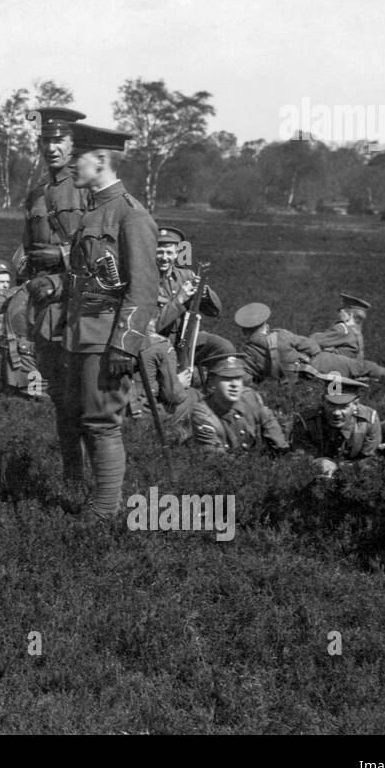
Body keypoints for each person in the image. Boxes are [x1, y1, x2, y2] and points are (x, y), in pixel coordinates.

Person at [60, 120, 159, 522]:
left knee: (102, 422)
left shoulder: (130, 216)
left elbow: (143, 289)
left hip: (106, 339)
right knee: (85, 419)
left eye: (77, 156)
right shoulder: (95, 211)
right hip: (81, 335)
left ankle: (104, 510)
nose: (70, 164)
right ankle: (99, 501)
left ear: (101, 160)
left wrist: (125, 344)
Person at [20, 106, 92, 480]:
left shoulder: (86, 189)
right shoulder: (36, 193)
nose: (52, 148)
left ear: (73, 144)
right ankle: (72, 475)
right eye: (46, 140)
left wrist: (62, 255)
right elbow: (27, 249)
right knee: (61, 398)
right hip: (45, 305)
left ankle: (100, 481)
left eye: (59, 140)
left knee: (86, 396)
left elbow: (103, 248)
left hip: (81, 301)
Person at [233, 302, 385, 398]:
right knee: (363, 367)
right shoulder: (281, 335)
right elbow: (313, 346)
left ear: (244, 330)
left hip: (294, 383)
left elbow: (249, 379)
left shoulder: (247, 353)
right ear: (266, 324)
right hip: (317, 364)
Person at [153, 226, 231, 366]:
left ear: (177, 254)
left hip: (185, 338)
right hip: (158, 341)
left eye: (169, 253)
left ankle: (213, 385)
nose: (165, 258)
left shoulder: (186, 275)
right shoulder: (144, 280)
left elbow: (214, 312)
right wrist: (179, 300)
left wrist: (204, 292)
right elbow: (153, 325)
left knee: (223, 347)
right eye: (160, 252)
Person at [191, 353, 289, 454]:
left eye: (238, 378)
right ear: (212, 381)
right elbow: (218, 461)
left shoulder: (250, 397)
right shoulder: (203, 415)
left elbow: (277, 440)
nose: (234, 384)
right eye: (227, 378)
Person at [289, 375, 382, 478]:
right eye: (331, 404)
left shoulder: (369, 420)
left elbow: (372, 458)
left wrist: (344, 468)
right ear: (323, 401)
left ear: (355, 404)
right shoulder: (305, 422)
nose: (336, 412)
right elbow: (300, 458)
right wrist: (319, 463)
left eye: (344, 407)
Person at [311, 293, 371, 358]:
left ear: (350, 315)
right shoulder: (357, 333)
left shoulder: (343, 329)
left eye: (340, 309)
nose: (339, 312)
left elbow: (315, 340)